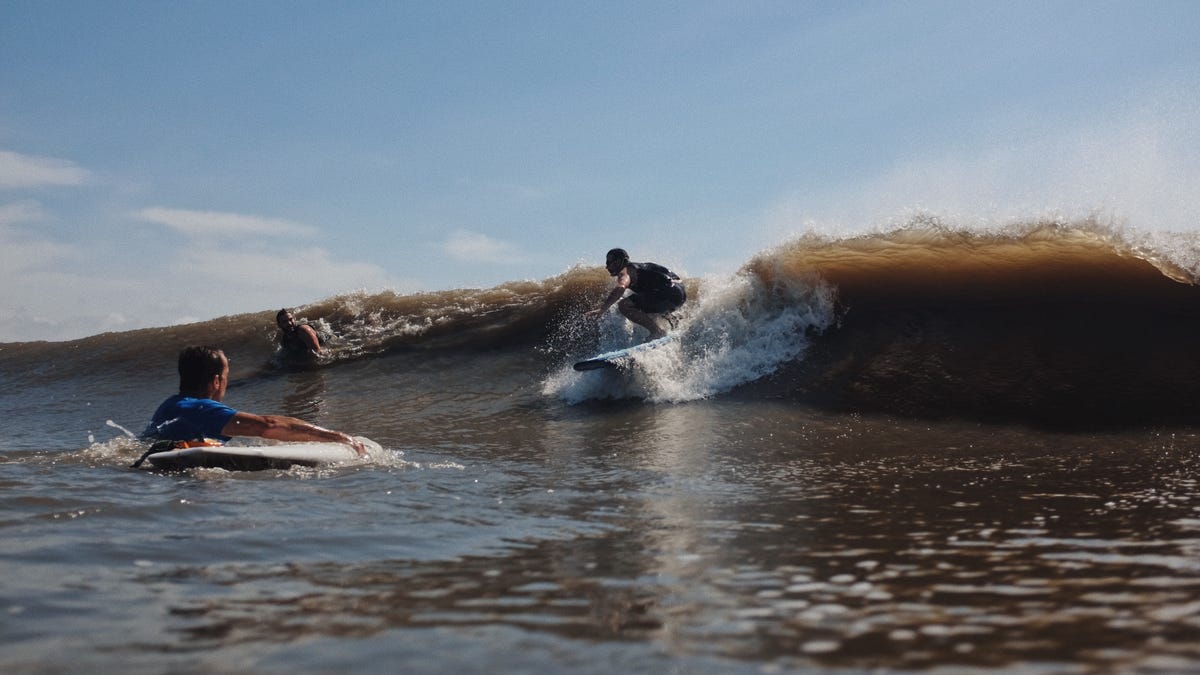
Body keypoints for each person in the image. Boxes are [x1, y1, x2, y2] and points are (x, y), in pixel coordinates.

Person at [143, 345, 366, 456]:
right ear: (216, 382)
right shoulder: (201, 409)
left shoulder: (170, 405)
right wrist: (339, 437)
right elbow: (267, 426)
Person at [584, 248, 686, 340]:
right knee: (642, 304)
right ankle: (676, 322)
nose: (607, 266)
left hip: (668, 292)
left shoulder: (625, 272)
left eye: (609, 262)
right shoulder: (638, 267)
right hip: (680, 292)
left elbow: (621, 287)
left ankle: (657, 331)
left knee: (624, 305)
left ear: (619, 262)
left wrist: (603, 309)